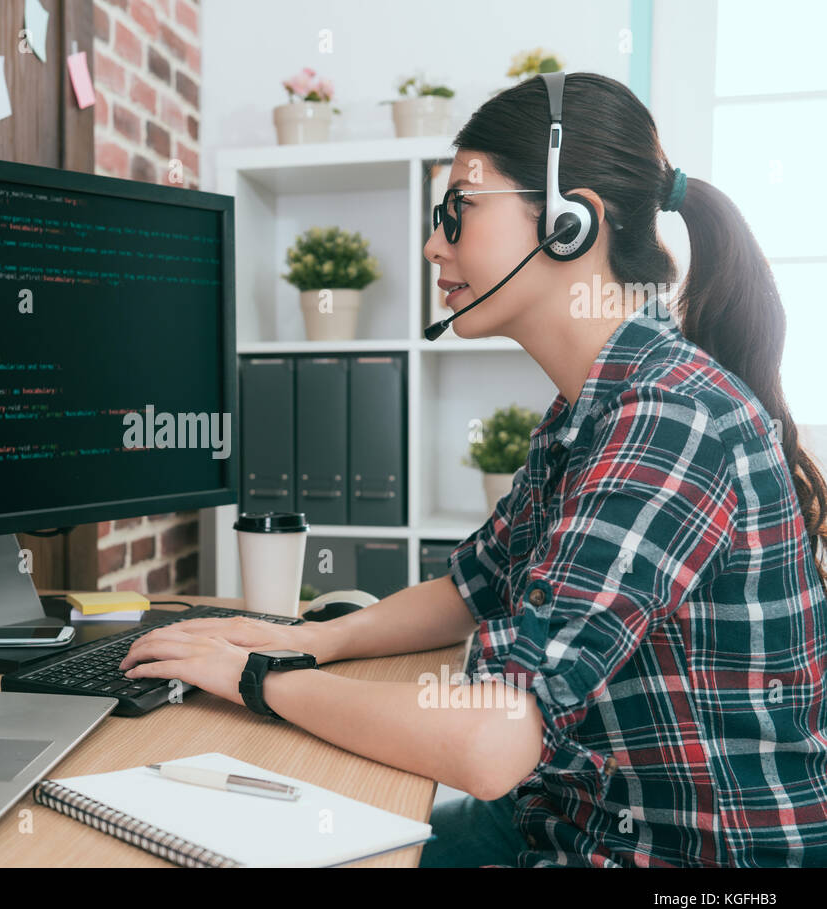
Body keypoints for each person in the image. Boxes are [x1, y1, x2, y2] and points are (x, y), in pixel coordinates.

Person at [116, 73, 827, 867]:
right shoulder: (591, 407)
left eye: (460, 207)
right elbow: (473, 585)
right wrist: (309, 641)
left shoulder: (668, 418)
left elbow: (491, 735)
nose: (432, 243)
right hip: (569, 811)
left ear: (569, 224)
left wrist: (258, 678)